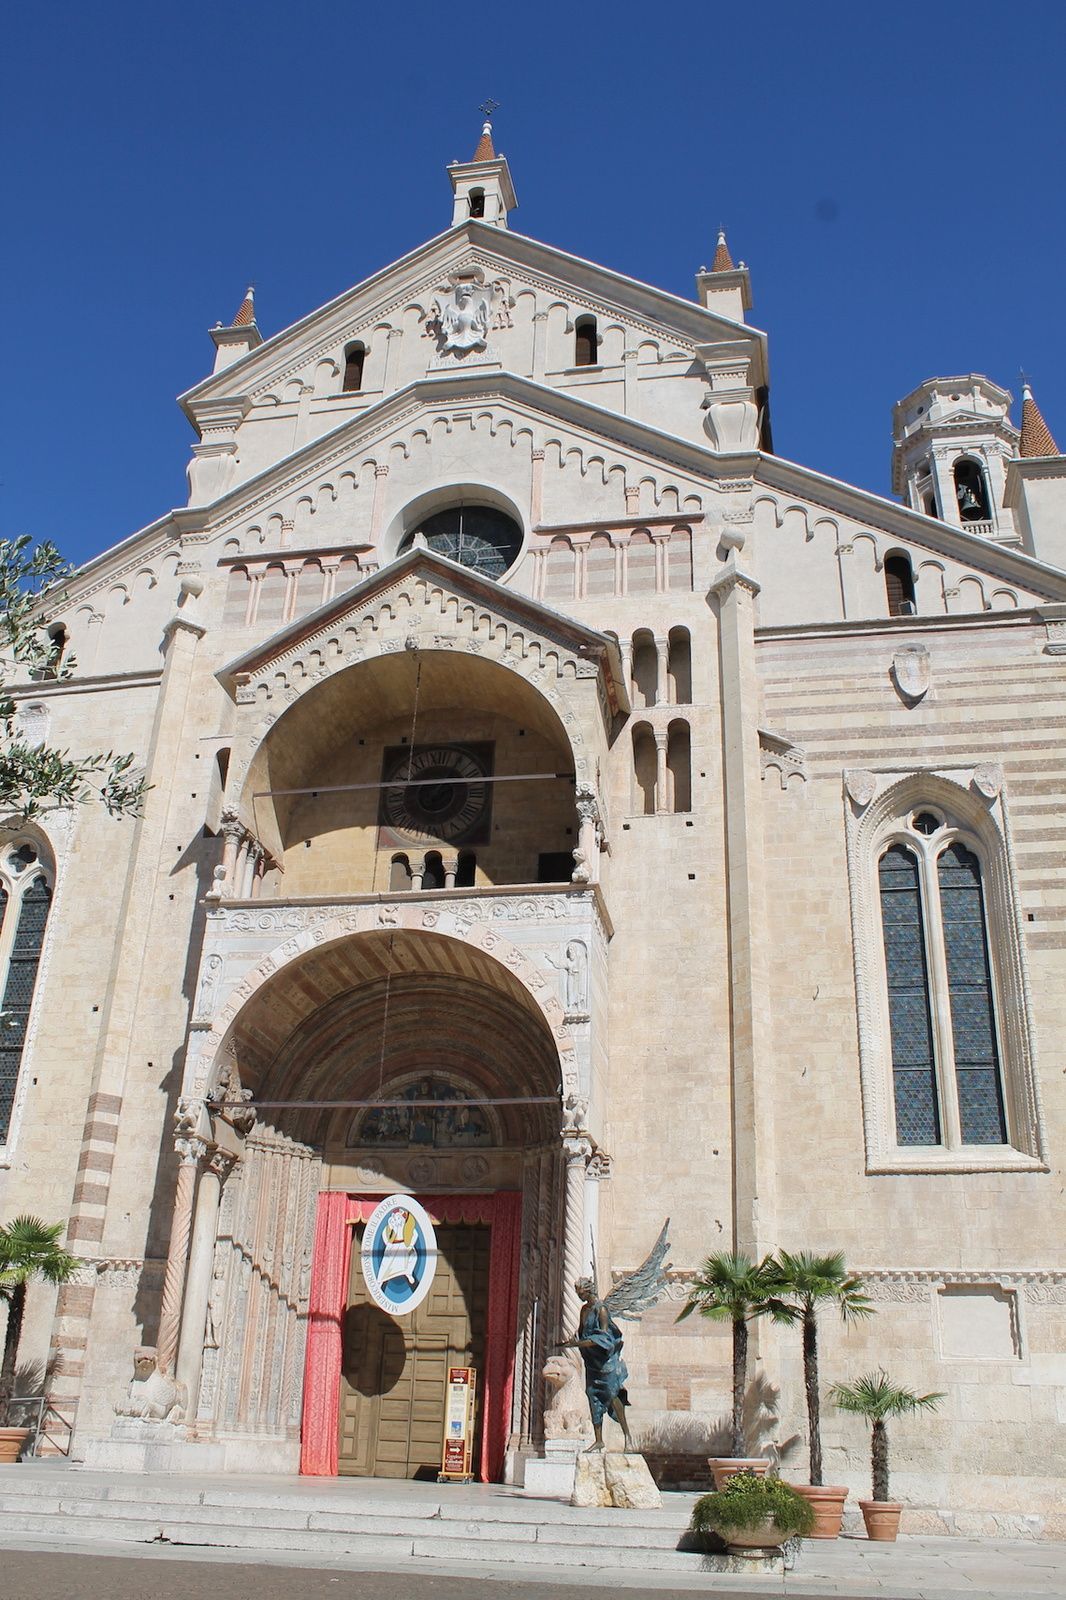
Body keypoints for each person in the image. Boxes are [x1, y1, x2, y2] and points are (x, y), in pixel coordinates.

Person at [563, 1276, 635, 1452]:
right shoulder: (584, 1310)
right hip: (591, 1360)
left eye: (580, 1292)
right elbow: (582, 1332)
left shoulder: (601, 1309)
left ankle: (627, 1435)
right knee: (592, 1395)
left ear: (588, 1290)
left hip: (605, 1361)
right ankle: (599, 1440)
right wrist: (575, 1339)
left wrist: (578, 1344)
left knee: (612, 1395)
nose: (579, 1296)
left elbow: (603, 1337)